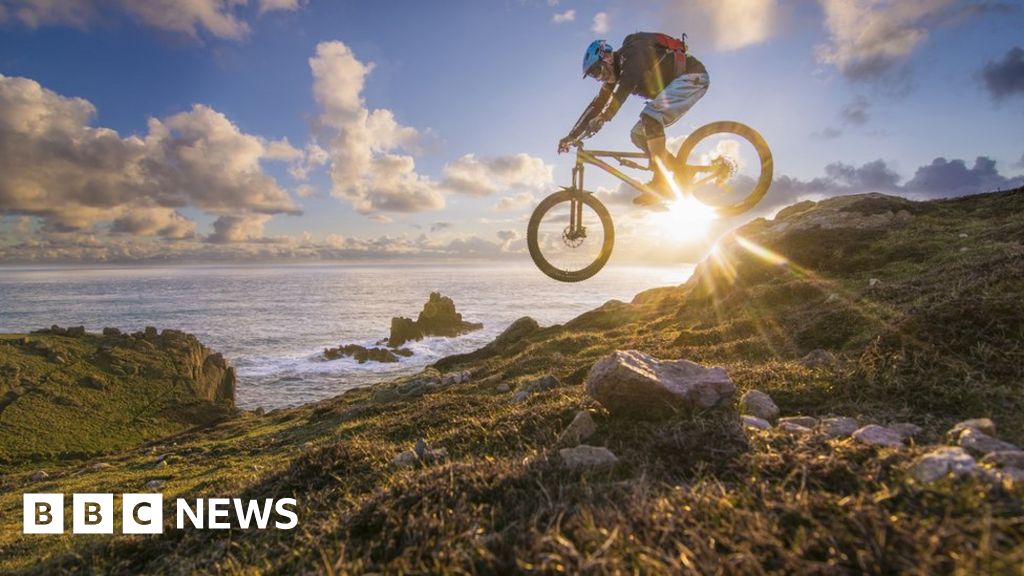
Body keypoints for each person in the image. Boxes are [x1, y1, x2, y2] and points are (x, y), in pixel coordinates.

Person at [558, 33, 709, 205]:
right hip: (678, 86)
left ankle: (662, 181)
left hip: (692, 77)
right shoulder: (615, 76)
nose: (600, 78)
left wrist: (605, 117)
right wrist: (572, 136)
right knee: (638, 134)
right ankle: (680, 170)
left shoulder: (633, 52)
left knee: (650, 117)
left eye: (597, 71)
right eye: (594, 76)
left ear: (607, 57)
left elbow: (626, 84)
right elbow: (597, 105)